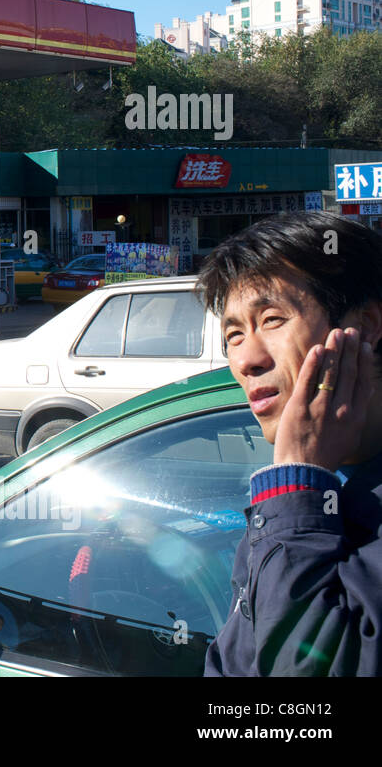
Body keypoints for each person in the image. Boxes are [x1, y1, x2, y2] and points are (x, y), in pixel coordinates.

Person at [197, 210, 382, 676]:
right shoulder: (294, 498)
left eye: (272, 319)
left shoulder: (294, 493)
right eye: (234, 334)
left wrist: (298, 476)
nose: (247, 359)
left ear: (365, 325)